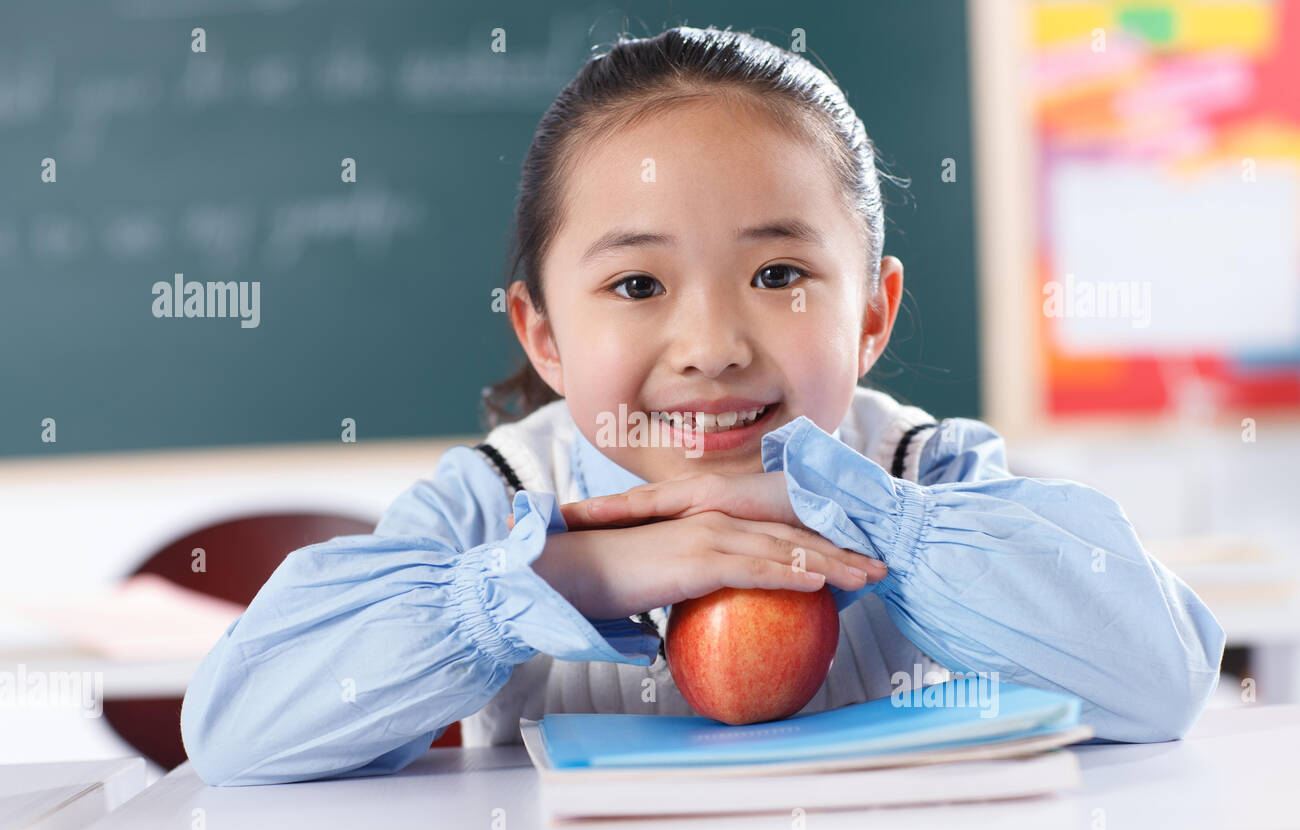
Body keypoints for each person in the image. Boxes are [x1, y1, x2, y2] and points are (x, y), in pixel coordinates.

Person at [181, 26, 1225, 787]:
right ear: (542, 334)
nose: (716, 347)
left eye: (778, 274)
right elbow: (234, 728)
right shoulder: (494, 505)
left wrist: (880, 530)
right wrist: (561, 574)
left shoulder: (929, 477)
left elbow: (1160, 678)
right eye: (637, 286)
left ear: (870, 313)